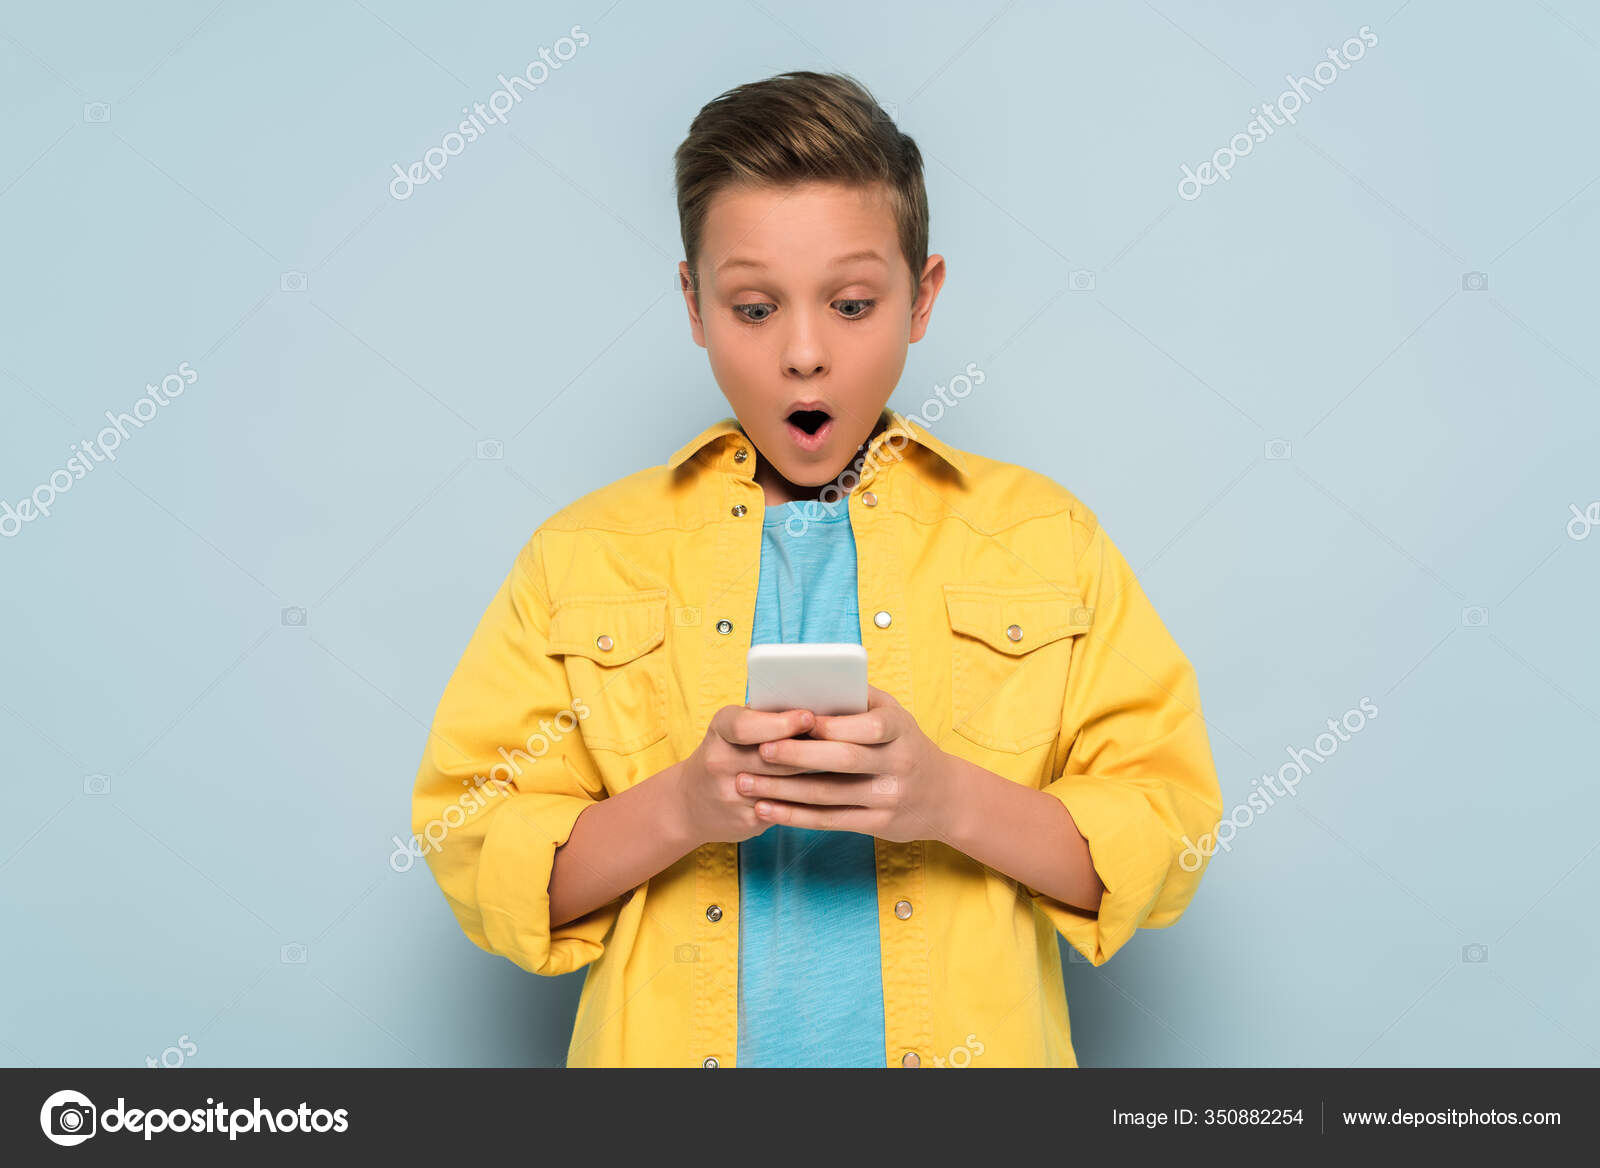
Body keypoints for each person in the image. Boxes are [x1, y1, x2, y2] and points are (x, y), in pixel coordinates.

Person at [411, 70, 1224, 1068]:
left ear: (921, 296)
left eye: (849, 303)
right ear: (694, 304)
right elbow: (475, 848)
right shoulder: (581, 555)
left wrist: (948, 801)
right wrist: (681, 808)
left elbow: (1164, 835)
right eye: (754, 308)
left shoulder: (1046, 537)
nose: (803, 353)